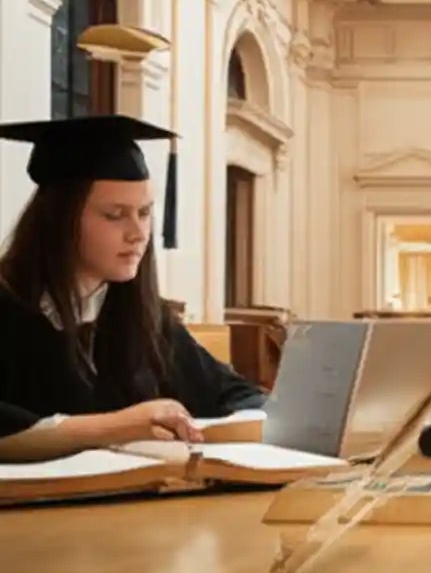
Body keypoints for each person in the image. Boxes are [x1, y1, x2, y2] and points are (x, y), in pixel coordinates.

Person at [0, 115, 266, 462]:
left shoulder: (142, 315)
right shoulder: (8, 307)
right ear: (59, 219)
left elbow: (233, 394)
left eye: (144, 213)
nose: (138, 233)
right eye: (115, 215)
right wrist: (120, 425)